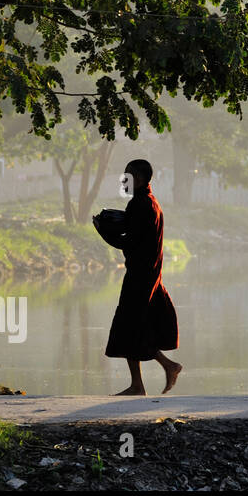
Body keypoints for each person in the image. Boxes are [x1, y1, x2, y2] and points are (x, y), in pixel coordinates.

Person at [94, 159, 182, 395]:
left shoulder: (141, 205)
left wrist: (103, 231)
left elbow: (129, 242)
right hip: (149, 274)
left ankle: (143, 382)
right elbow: (135, 234)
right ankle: (155, 373)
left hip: (141, 277)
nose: (124, 180)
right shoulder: (150, 203)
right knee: (136, 328)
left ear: (140, 179)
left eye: (128, 175)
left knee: (129, 327)